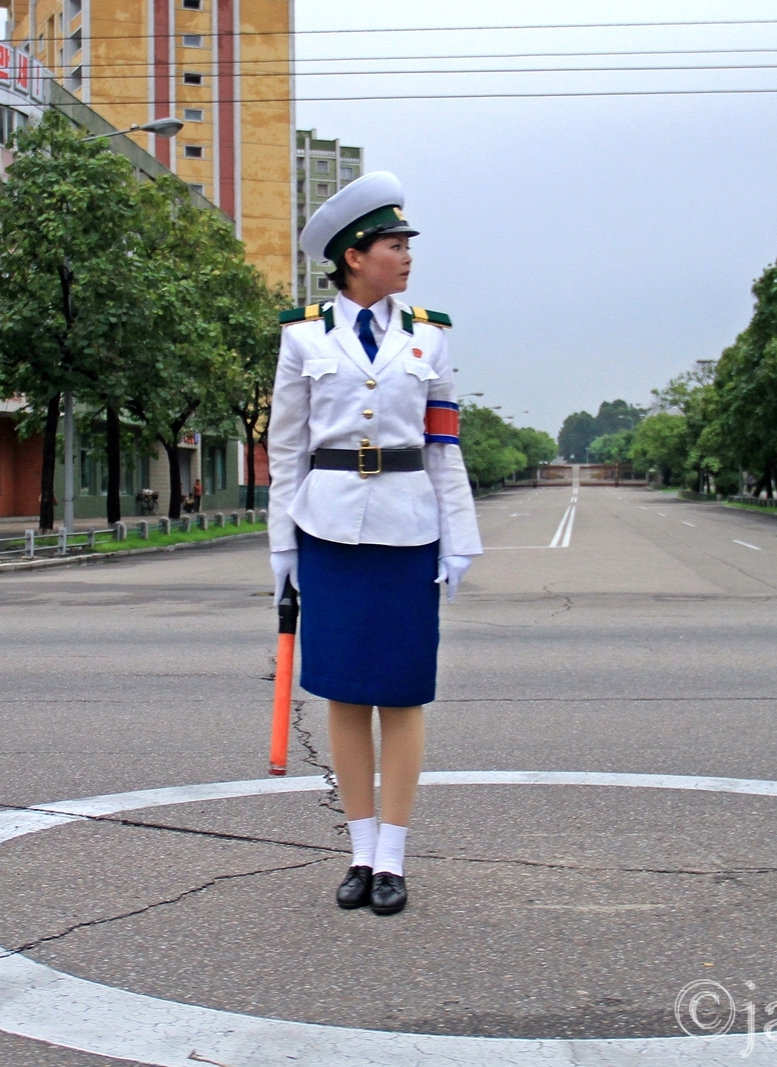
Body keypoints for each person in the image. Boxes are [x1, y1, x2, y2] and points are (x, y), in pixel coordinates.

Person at [267, 171, 482, 916]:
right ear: (355, 256)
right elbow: (285, 453)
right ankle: (358, 851)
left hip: (407, 528)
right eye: (394, 244)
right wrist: (282, 551)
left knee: (402, 692)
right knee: (344, 693)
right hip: (326, 529)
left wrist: (460, 539)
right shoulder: (301, 337)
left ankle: (393, 855)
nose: (406, 255)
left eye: (406, 244)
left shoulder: (431, 335)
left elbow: (444, 447)